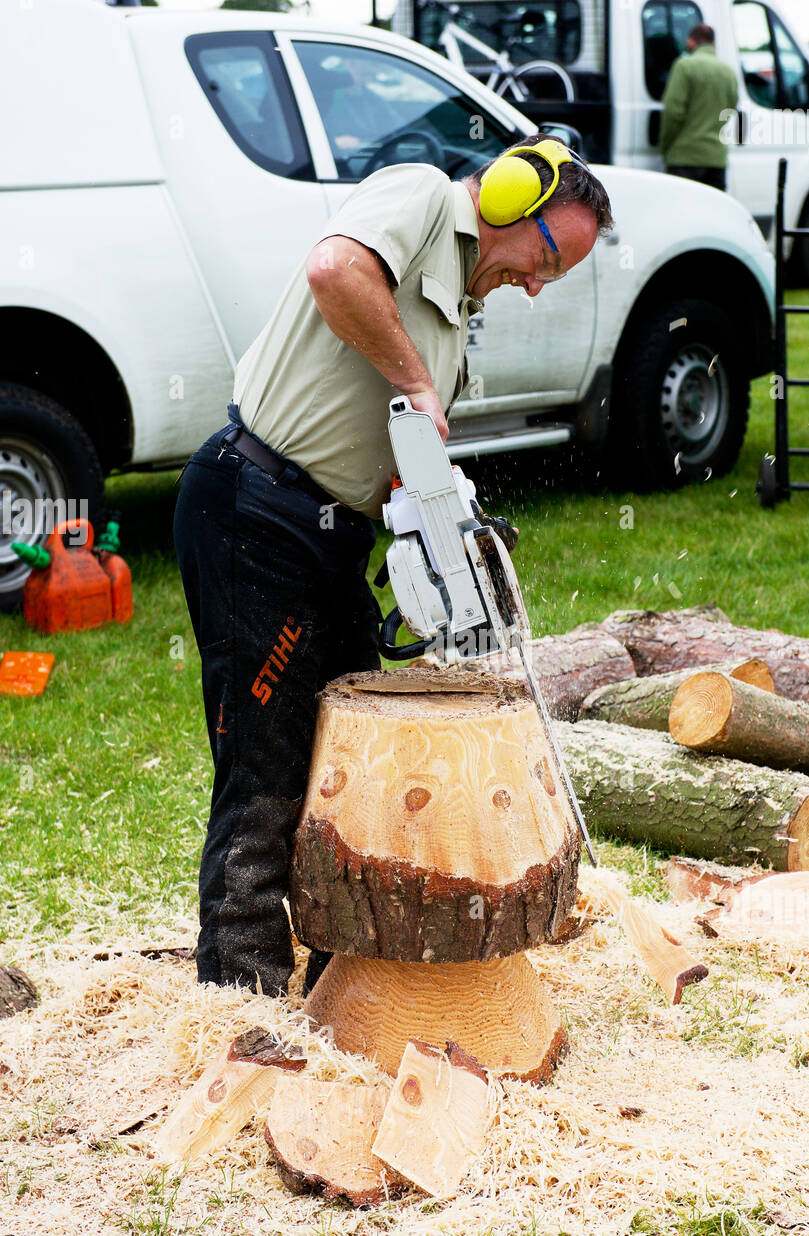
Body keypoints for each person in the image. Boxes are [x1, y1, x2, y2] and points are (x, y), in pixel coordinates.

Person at [173, 134, 613, 998]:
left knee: (348, 757)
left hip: (330, 535)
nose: (532, 283)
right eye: (544, 258)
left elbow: (396, 455)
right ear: (508, 198)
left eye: (549, 280)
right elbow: (335, 273)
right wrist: (417, 385)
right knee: (265, 758)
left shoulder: (453, 312)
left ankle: (345, 984)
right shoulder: (418, 197)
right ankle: (239, 996)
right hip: (254, 508)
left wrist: (436, 538)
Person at [660, 24, 739, 192]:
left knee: (682, 212)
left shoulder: (684, 66)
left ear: (690, 42)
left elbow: (673, 112)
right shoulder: (729, 72)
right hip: (716, 159)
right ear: (714, 45)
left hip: (684, 158)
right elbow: (731, 108)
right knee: (713, 213)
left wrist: (665, 146)